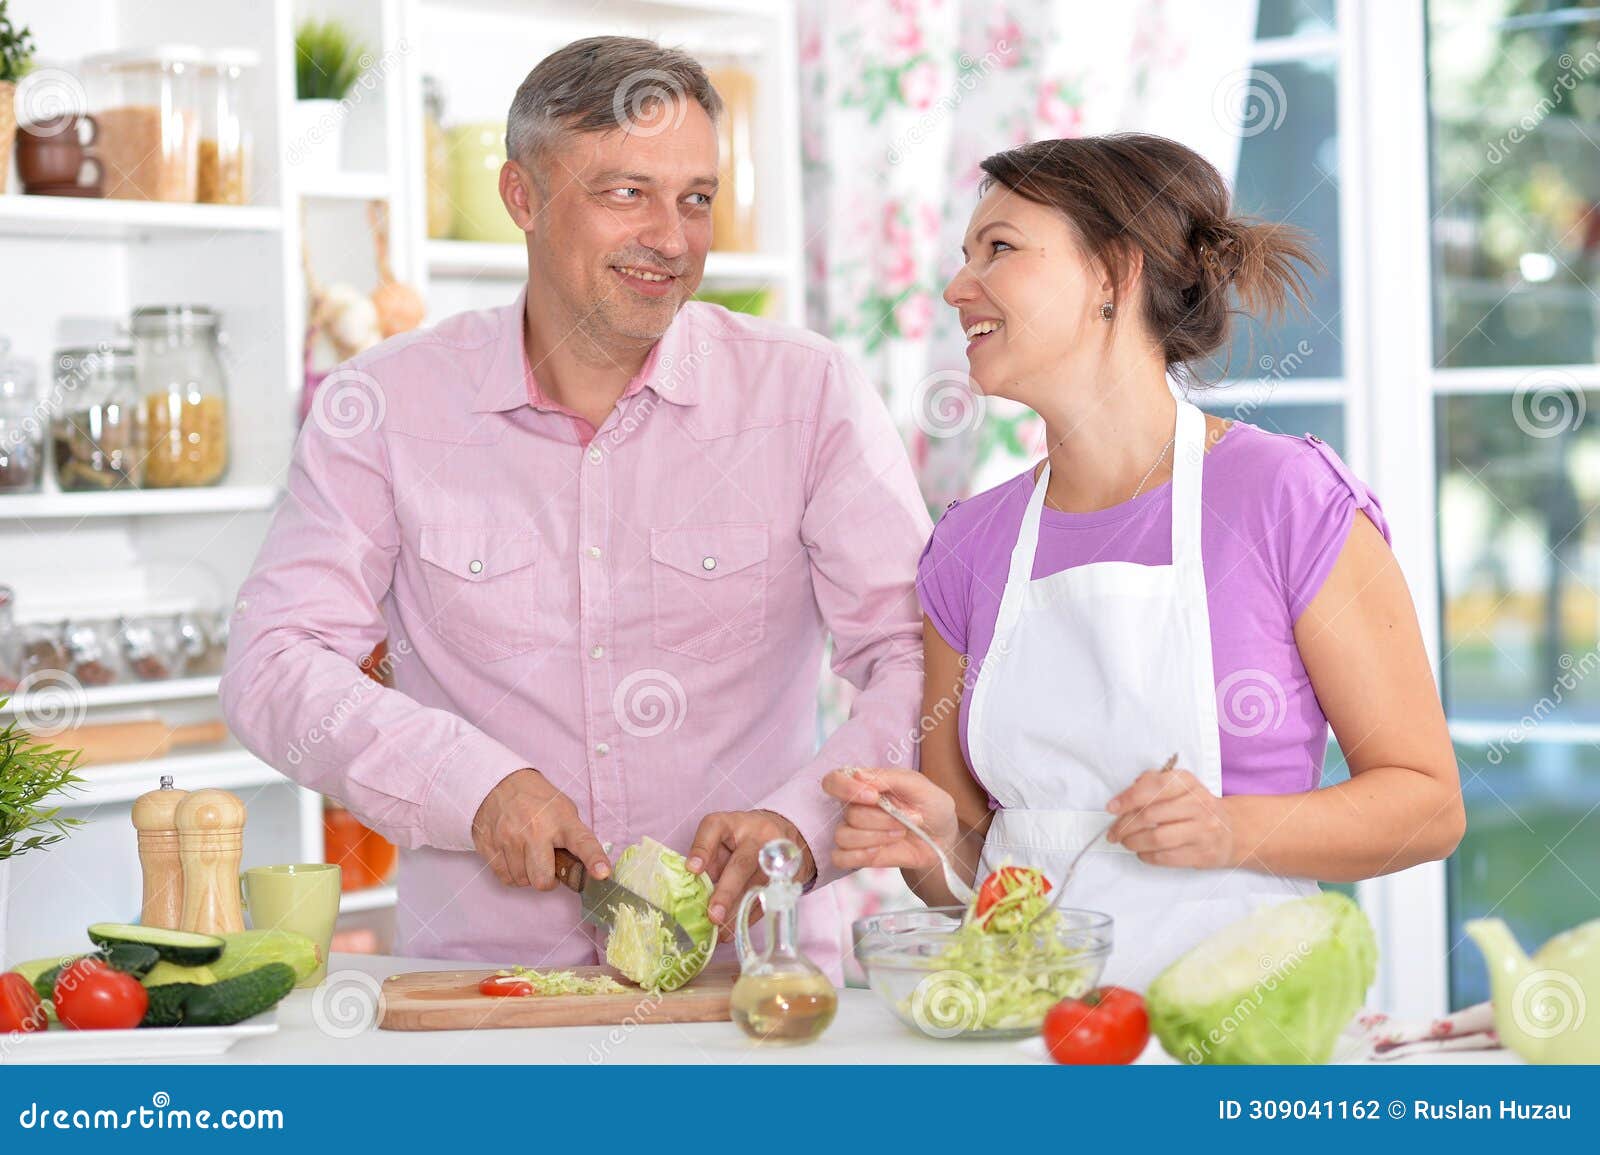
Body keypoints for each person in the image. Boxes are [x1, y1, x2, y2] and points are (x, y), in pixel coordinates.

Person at [220, 37, 931, 979]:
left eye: (696, 198)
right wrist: (469, 785)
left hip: (752, 988)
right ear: (522, 197)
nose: (673, 240)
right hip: (482, 994)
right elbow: (273, 660)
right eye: (625, 193)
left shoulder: (807, 395)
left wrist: (803, 825)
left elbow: (917, 655)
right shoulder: (385, 406)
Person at [823, 134, 1464, 988]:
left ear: (1113, 275)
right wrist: (931, 842)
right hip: (1035, 1037)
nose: (955, 287)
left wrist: (1232, 830)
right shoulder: (969, 545)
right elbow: (978, 877)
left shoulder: (1284, 498)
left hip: (1243, 1036)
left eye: (1000, 249)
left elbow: (1428, 804)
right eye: (963, 256)